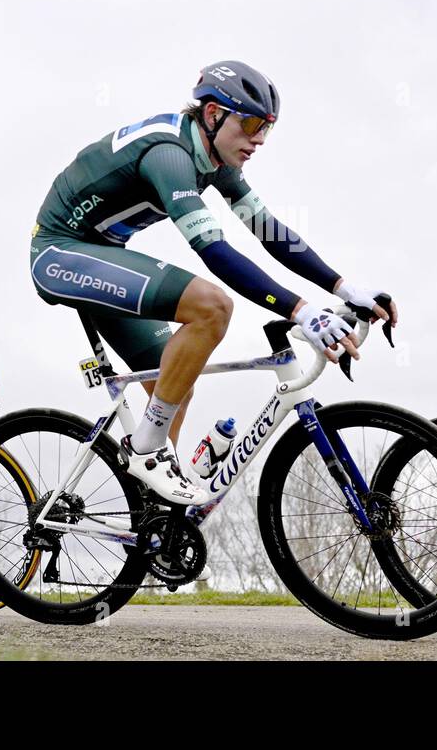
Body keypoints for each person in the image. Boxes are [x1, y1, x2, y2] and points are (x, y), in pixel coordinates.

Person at [30, 61, 396, 504]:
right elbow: (214, 251)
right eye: (251, 124)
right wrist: (302, 311)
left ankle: (150, 513)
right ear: (211, 115)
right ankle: (146, 454)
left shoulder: (217, 161)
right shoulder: (170, 155)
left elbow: (270, 231)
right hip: (60, 252)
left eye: (267, 128)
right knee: (212, 307)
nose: (259, 139)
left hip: (104, 252)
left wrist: (341, 288)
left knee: (176, 381)